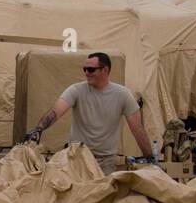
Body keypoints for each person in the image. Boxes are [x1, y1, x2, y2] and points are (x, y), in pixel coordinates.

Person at [22, 52, 154, 175]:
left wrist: (150, 159)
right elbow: (55, 112)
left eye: (91, 69)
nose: (86, 73)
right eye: (84, 69)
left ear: (105, 70)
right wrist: (39, 129)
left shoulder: (123, 94)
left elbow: (137, 129)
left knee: (103, 196)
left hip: (106, 162)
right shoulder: (76, 90)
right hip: (78, 158)